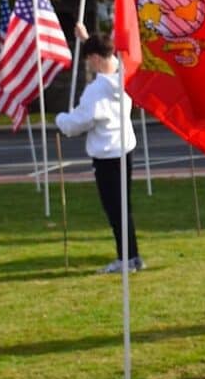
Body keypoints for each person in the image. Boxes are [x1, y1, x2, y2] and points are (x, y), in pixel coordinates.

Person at [57, 37, 142, 273]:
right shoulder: (124, 74)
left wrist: (61, 120)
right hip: (125, 148)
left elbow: (79, 122)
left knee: (115, 209)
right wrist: (86, 39)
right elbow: (108, 58)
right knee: (124, 207)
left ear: (95, 58)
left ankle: (126, 259)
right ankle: (132, 255)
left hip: (106, 155)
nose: (90, 66)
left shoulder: (96, 90)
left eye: (90, 61)